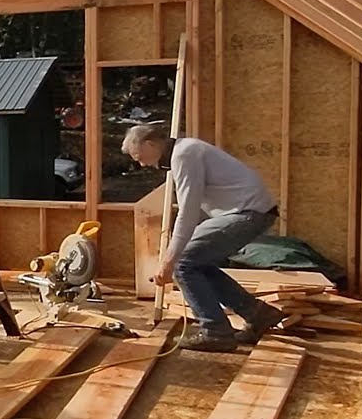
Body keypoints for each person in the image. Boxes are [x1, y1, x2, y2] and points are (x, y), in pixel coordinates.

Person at [122, 125, 286, 351]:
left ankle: (215, 331)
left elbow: (188, 213)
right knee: (195, 262)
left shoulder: (184, 154)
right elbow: (195, 211)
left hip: (248, 213)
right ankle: (257, 314)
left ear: (151, 144)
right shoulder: (185, 152)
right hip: (249, 212)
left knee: (183, 263)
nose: (142, 164)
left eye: (139, 157)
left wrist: (169, 262)